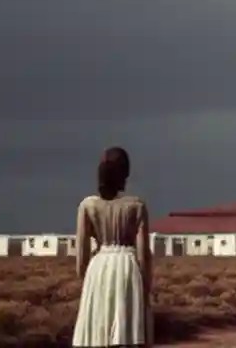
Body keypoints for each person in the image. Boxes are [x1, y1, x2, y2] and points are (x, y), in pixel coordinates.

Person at [72, 146, 153, 347]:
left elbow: (81, 252)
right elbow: (143, 253)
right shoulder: (136, 206)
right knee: (126, 331)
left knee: (98, 329)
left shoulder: (87, 206)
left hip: (99, 267)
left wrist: (85, 277)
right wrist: (146, 285)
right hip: (127, 267)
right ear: (125, 173)